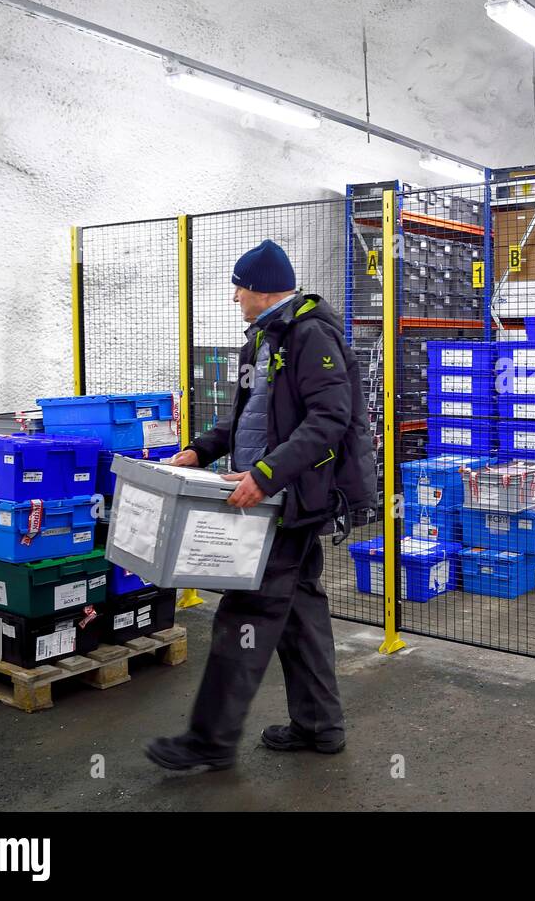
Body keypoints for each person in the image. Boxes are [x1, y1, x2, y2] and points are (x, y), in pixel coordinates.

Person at [145, 239, 374, 771]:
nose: (234, 298)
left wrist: (266, 475)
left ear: (259, 289)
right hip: (275, 498)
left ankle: (209, 741)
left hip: (288, 502)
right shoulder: (265, 340)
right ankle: (321, 726)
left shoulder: (309, 335)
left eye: (238, 288)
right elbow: (251, 416)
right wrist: (200, 448)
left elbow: (329, 420)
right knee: (300, 614)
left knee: (243, 615)